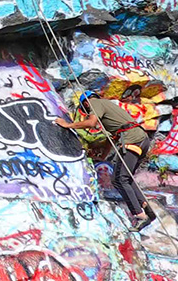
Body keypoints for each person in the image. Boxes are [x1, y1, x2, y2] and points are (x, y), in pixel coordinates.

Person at [55, 73, 157, 228]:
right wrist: (102, 156)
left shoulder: (95, 103)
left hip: (131, 139)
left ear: (86, 104)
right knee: (127, 178)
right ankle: (146, 209)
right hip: (140, 139)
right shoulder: (110, 109)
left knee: (119, 179)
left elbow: (91, 122)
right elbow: (111, 139)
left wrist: (67, 125)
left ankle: (139, 215)